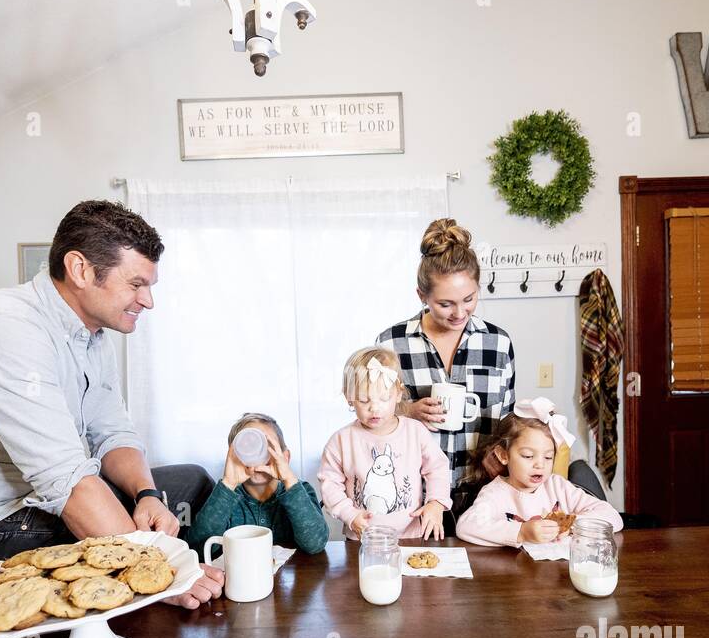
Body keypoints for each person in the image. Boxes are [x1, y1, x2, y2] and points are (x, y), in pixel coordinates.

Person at [0, 199, 224, 609]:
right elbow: (66, 482)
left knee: (190, 480)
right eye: (136, 284)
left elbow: (112, 434)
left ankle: (183, 583)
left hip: (41, 502)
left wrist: (147, 495)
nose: (147, 301)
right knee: (159, 567)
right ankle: (171, 592)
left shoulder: (93, 337)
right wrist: (164, 574)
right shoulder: (3, 327)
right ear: (81, 269)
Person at [376, 218, 515, 498]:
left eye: (469, 299)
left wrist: (500, 452)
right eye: (445, 304)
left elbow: (508, 420)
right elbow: (371, 415)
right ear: (422, 296)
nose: (460, 313)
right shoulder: (391, 343)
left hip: (483, 491)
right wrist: (408, 411)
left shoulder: (498, 343)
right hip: (413, 492)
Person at [318, 347, 451, 541]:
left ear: (398, 394)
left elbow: (437, 468)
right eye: (364, 400)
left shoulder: (415, 432)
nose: (374, 408)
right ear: (349, 398)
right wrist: (349, 514)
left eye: (384, 398)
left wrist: (436, 503)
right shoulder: (340, 441)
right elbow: (329, 485)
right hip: (361, 539)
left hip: (410, 536)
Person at [455, 400, 623, 549]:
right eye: (528, 456)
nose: (540, 464)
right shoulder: (496, 493)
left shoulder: (557, 486)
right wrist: (521, 532)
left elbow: (612, 516)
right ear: (503, 455)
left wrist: (573, 524)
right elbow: (466, 526)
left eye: (548, 457)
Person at [185, 413, 329, 557]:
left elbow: (315, 544)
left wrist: (289, 479)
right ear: (233, 457)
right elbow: (198, 550)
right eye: (247, 447)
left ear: (285, 457)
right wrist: (228, 484)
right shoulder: (223, 498)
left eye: (268, 446)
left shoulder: (300, 491)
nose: (258, 455)